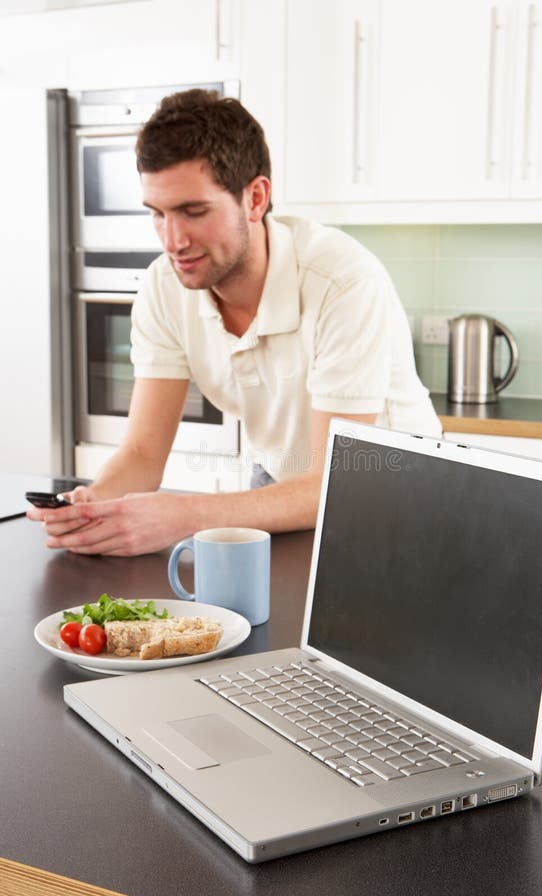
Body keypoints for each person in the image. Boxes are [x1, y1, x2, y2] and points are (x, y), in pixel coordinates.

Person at [28, 89, 441, 556]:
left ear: (255, 198)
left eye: (193, 211)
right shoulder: (164, 288)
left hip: (396, 494)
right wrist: (92, 505)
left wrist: (182, 515)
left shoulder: (342, 282)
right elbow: (142, 454)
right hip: (282, 485)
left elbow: (335, 481)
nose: (173, 240)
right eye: (158, 214)